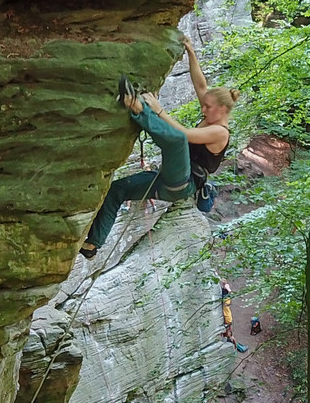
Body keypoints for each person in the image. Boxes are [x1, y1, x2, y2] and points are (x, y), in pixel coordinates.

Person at [80, 34, 236, 259]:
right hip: (167, 181)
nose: (203, 110)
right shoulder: (213, 112)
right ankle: (93, 244)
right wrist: (191, 52)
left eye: (208, 107)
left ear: (222, 110)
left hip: (183, 182)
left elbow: (184, 135)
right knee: (117, 190)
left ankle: (137, 108)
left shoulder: (220, 132)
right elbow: (200, 83)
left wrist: (157, 109)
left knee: (177, 141)